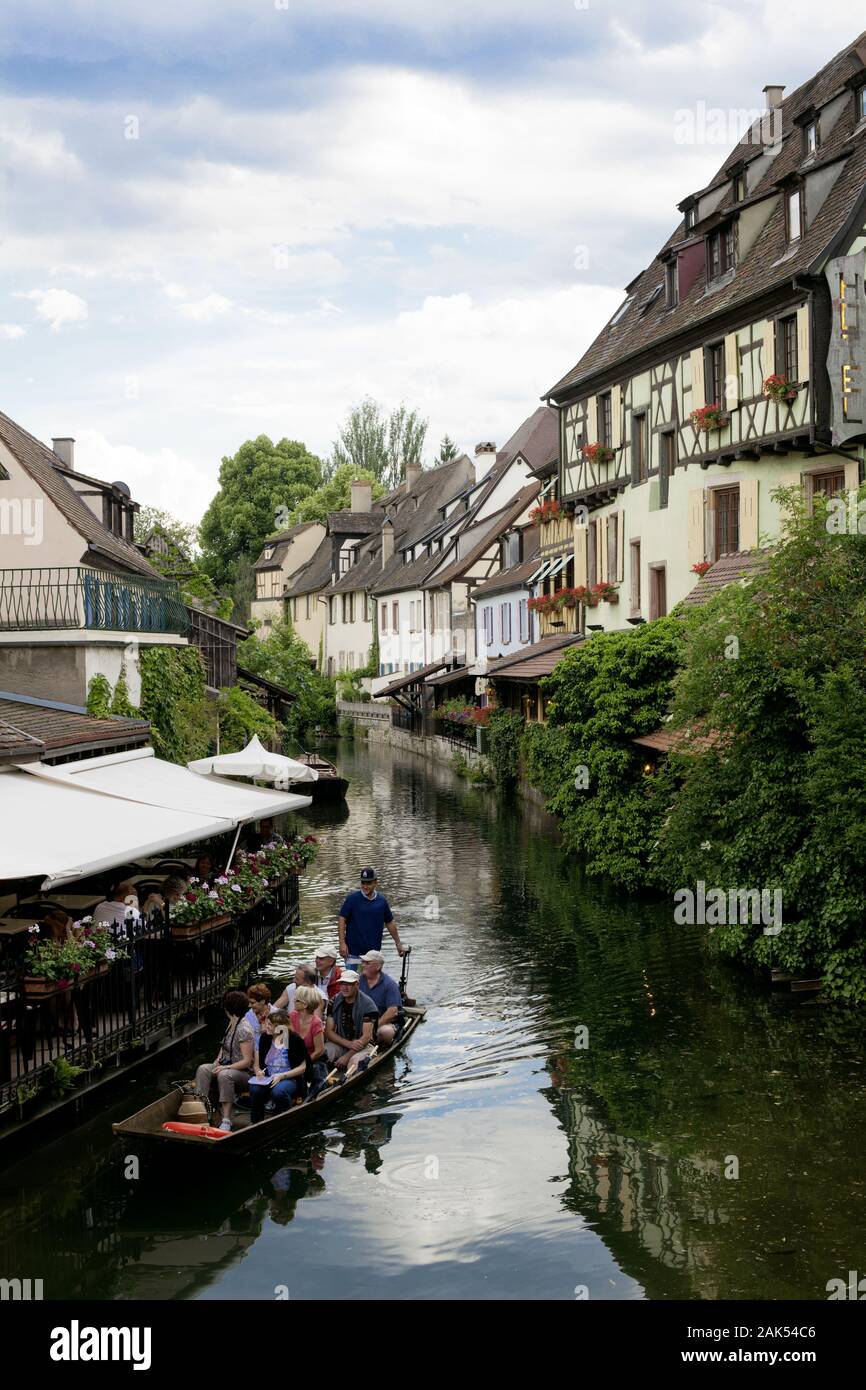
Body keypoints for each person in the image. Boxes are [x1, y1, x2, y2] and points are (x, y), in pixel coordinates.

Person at [195, 990, 255, 1132]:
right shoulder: (231, 1023)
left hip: (244, 1074)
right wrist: (217, 1062)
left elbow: (247, 1061)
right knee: (203, 1068)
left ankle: (227, 1119)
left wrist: (223, 1068)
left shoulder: (244, 1029)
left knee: (224, 1074)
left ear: (228, 1008)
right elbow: (224, 1048)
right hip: (227, 1066)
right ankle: (200, 1110)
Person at [338, 868, 406, 970]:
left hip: (373, 955)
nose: (365, 886)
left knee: (372, 984)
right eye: (363, 883)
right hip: (353, 954)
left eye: (368, 883)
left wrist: (398, 943)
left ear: (375, 883)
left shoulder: (382, 901)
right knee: (352, 982)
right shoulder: (352, 899)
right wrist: (342, 943)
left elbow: (390, 923)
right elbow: (342, 919)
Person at [249, 1010, 309, 1124]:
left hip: (290, 1078)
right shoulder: (265, 1038)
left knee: (279, 1091)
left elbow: (302, 1067)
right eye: (267, 1023)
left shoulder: (294, 1040)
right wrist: (258, 1072)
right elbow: (257, 1065)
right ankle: (256, 1122)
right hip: (268, 1077)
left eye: (270, 1024)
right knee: (254, 1089)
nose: (267, 1026)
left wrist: (282, 1076)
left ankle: (286, 1119)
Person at [325, 970, 379, 1075]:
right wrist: (348, 1044)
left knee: (354, 1062)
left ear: (357, 985)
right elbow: (329, 1032)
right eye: (342, 984)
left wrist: (347, 1056)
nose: (345, 987)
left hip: (364, 1046)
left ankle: (346, 1081)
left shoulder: (368, 1005)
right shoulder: (333, 1001)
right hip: (342, 1042)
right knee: (324, 1053)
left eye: (349, 984)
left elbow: (366, 1037)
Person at [358, 950, 403, 1048]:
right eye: (363, 962)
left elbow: (392, 1012)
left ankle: (379, 1047)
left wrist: (373, 1028)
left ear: (378, 966)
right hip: (362, 1020)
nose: (363, 965)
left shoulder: (390, 984)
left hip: (381, 1022)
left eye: (367, 963)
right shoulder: (359, 980)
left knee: (385, 1032)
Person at [290, 985, 326, 1080]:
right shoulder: (292, 1016)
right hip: (294, 1058)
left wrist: (304, 1063)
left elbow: (319, 1051)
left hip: (311, 1060)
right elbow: (285, 1042)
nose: (293, 1001)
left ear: (305, 1005)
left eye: (296, 1000)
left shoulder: (316, 1023)